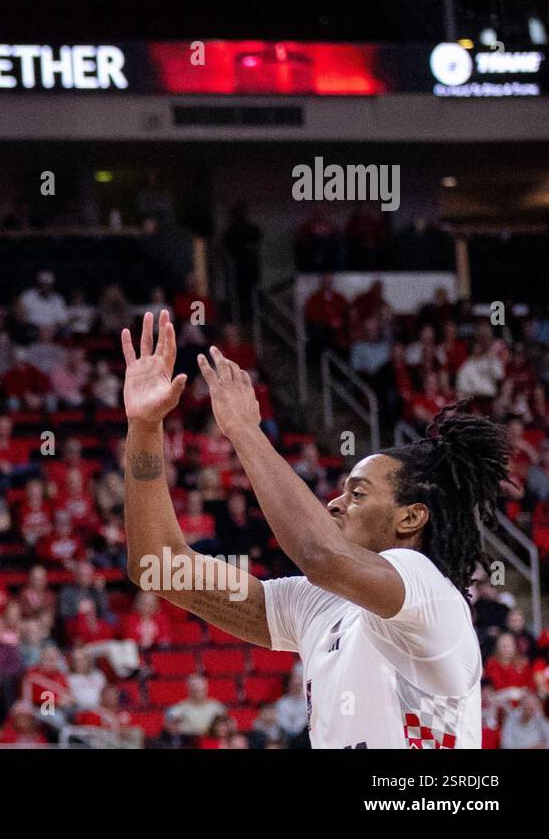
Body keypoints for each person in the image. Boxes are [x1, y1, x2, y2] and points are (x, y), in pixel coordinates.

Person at [123, 309, 501, 749]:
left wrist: (246, 431)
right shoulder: (318, 602)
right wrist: (145, 427)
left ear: (410, 517)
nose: (336, 504)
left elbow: (319, 555)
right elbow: (157, 568)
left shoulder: (427, 590)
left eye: (358, 495)